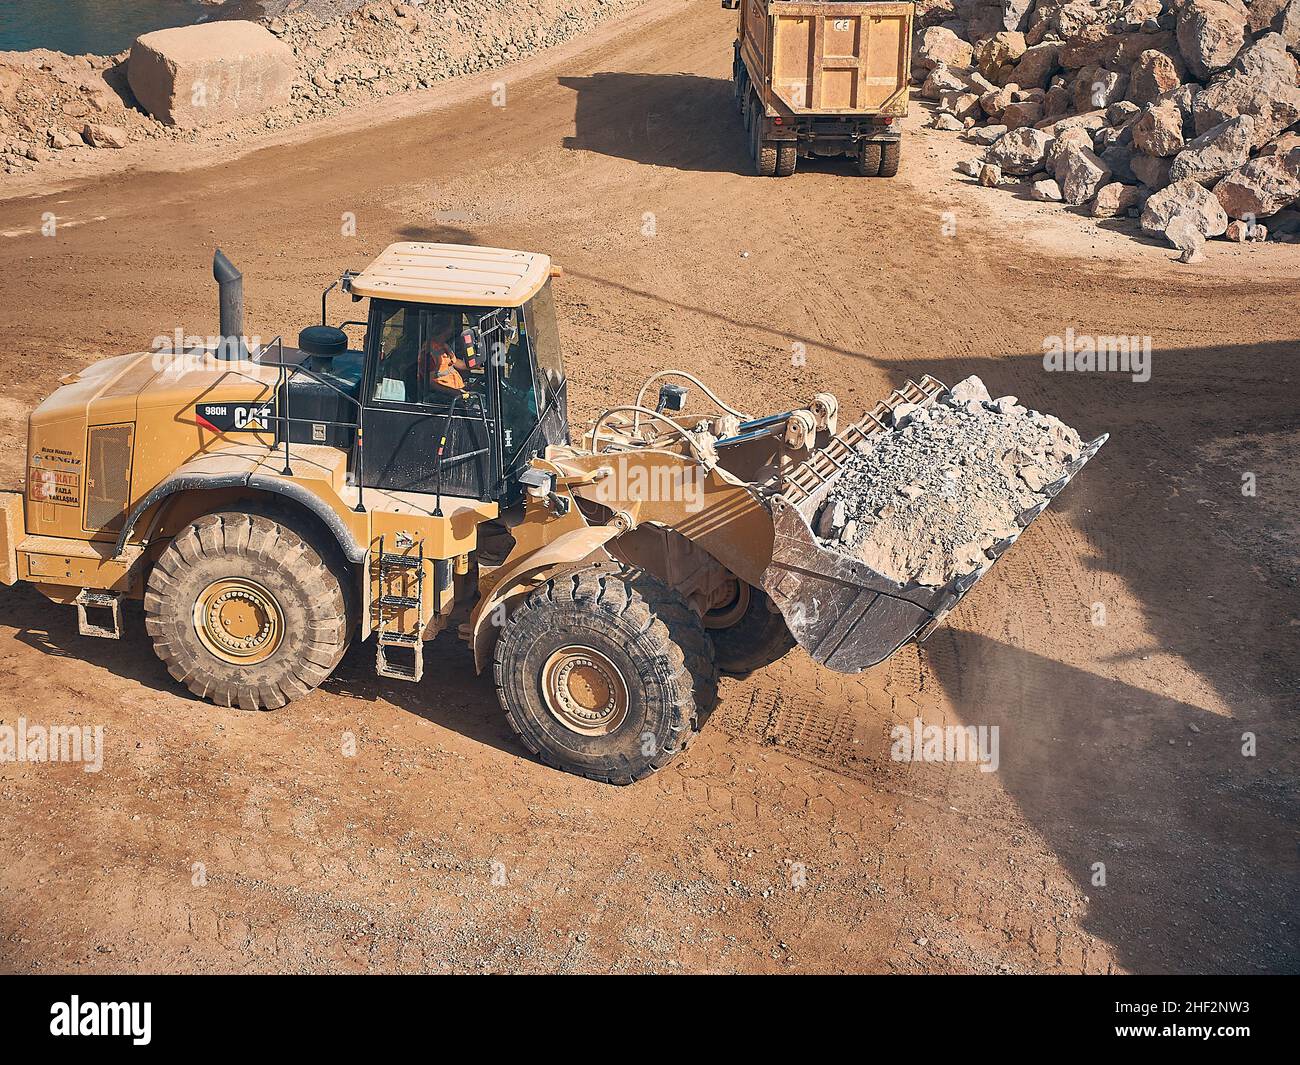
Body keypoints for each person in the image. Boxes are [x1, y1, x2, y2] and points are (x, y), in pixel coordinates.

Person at [418, 315, 470, 395]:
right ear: (444, 328)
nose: (453, 329)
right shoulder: (428, 352)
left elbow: (455, 362)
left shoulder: (443, 345)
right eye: (451, 326)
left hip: (457, 389)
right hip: (443, 397)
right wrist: (454, 392)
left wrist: (475, 365)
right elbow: (431, 383)